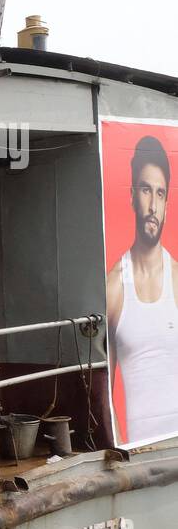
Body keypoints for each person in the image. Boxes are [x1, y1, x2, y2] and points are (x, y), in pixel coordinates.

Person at [106, 136, 178, 443]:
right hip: (139, 461)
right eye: (146, 190)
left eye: (160, 193)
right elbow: (102, 393)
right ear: (133, 195)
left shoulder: (177, 278)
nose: (152, 204)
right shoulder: (113, 288)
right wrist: (122, 454)